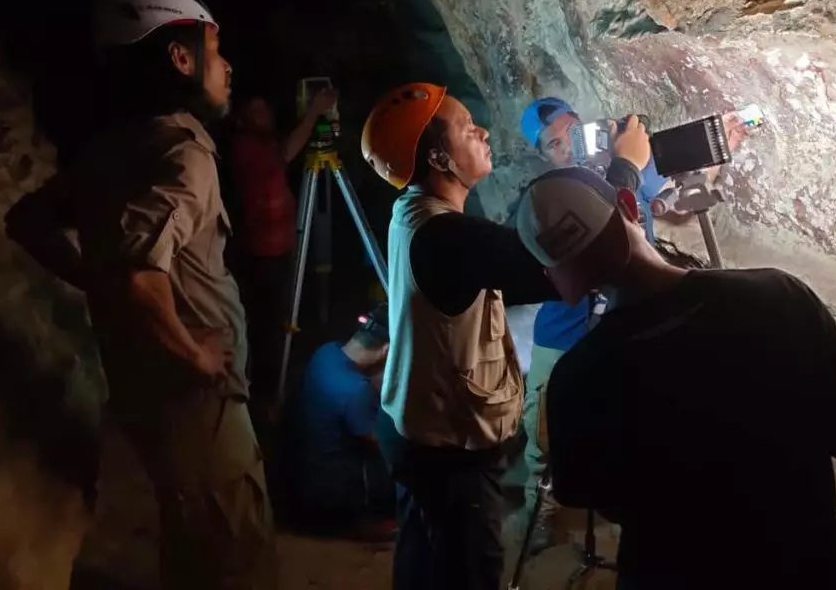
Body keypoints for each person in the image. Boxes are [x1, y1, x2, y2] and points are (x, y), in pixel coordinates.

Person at [5, 0, 277, 590]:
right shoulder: (186, 153)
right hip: (194, 403)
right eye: (214, 48)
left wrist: (96, 281)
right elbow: (138, 274)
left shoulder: (113, 148)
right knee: (236, 559)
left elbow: (28, 221)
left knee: (192, 550)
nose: (227, 64)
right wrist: (197, 354)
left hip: (146, 398)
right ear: (180, 59)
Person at [515, 166, 836, 590]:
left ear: (556, 274)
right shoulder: (777, 298)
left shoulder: (576, 380)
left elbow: (595, 498)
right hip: (806, 570)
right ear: (629, 206)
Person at [358, 83, 651, 590]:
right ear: (437, 157)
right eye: (467, 128)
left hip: (414, 431)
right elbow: (570, 266)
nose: (483, 131)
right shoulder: (446, 237)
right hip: (448, 452)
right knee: (469, 570)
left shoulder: (416, 212)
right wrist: (625, 171)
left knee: (423, 564)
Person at [515, 96, 747, 548]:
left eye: (572, 131)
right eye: (554, 142)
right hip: (564, 333)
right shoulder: (550, 199)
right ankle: (539, 506)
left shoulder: (627, 171)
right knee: (542, 428)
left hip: (627, 328)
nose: (568, 146)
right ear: (543, 154)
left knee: (642, 422)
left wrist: (722, 147)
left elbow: (674, 199)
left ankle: (642, 512)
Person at [229, 89, 337, 406]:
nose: (267, 116)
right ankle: (267, 396)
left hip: (281, 245)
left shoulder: (263, 142)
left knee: (278, 318)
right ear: (242, 119)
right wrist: (315, 111)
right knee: (268, 327)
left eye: (267, 109)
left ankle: (278, 382)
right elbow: (286, 154)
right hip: (263, 252)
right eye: (257, 111)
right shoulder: (246, 148)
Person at [276, 303, 396, 540]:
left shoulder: (326, 353)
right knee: (400, 451)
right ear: (386, 350)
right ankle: (366, 521)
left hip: (303, 488)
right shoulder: (355, 391)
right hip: (331, 505)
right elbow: (380, 445)